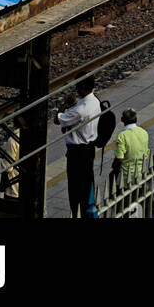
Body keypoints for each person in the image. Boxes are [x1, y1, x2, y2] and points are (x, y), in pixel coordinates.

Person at [55, 76, 101, 219]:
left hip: (77, 153)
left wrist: (64, 105)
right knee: (87, 184)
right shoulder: (95, 102)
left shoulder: (80, 110)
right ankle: (88, 210)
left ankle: (76, 213)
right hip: (89, 149)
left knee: (75, 187)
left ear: (82, 88)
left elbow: (58, 119)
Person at [111, 109, 149, 191]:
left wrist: (114, 166)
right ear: (136, 119)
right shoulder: (144, 132)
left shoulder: (122, 135)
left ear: (122, 120)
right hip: (141, 174)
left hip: (126, 177)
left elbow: (120, 158)